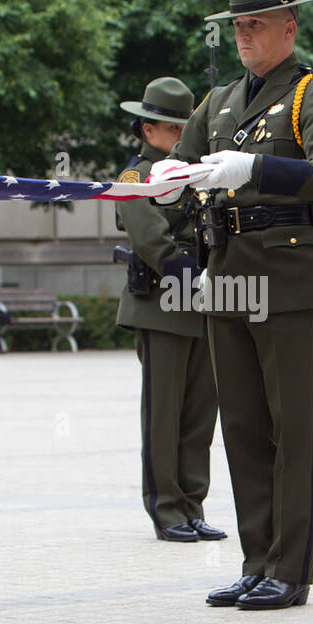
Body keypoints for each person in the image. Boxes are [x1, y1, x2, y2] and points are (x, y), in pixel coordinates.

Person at [168, 0, 313, 609]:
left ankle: (291, 569)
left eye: (257, 25)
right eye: (238, 26)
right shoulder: (218, 101)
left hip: (290, 278)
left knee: (293, 431)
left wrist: (257, 166)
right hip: (228, 277)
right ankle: (257, 560)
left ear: (288, 25)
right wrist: (163, 179)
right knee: (244, 429)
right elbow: (178, 169)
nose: (245, 36)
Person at [114, 77, 224, 543]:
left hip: (204, 303)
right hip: (163, 301)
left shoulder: (195, 173)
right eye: (173, 127)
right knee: (164, 414)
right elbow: (148, 235)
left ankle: (193, 503)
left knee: (200, 414)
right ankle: (165, 509)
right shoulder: (135, 178)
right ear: (147, 129)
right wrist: (183, 269)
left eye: (188, 125)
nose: (183, 135)